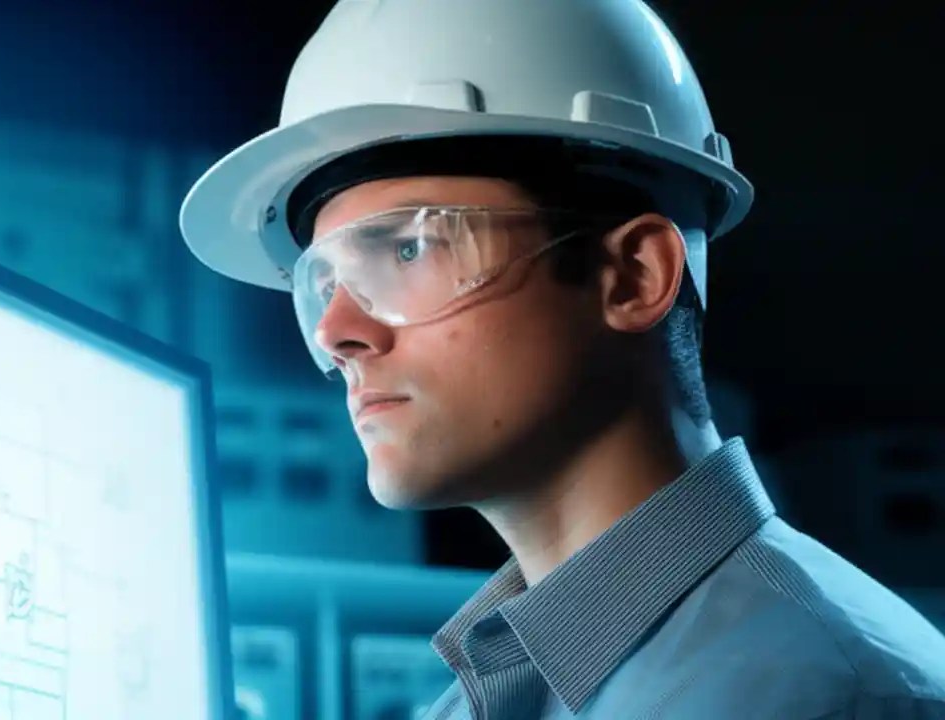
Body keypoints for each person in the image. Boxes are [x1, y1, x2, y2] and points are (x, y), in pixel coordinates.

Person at [178, 1, 945, 718]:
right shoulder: (486, 693)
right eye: (324, 284)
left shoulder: (825, 692)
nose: (338, 333)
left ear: (633, 276)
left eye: (409, 249)